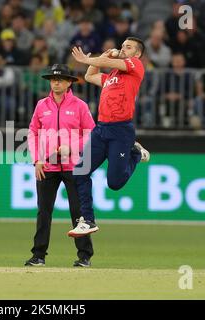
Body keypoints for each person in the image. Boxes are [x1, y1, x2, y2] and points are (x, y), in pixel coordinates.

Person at [68, 37, 150, 237]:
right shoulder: (112, 76)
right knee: (80, 172)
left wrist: (91, 59)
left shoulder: (136, 66)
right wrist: (102, 57)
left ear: (137, 53)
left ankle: (135, 153)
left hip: (121, 131)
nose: (123, 49)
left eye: (128, 47)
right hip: (101, 129)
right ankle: (87, 220)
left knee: (114, 183)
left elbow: (104, 64)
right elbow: (89, 76)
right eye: (122, 46)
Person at [25, 64, 95, 267]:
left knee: (78, 211)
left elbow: (91, 134)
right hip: (47, 166)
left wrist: (71, 148)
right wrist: (36, 159)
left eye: (61, 79)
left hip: (74, 166)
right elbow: (33, 133)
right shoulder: (41, 105)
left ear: (69, 83)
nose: (56, 82)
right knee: (43, 211)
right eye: (53, 79)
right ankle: (38, 256)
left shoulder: (79, 106)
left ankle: (84, 256)